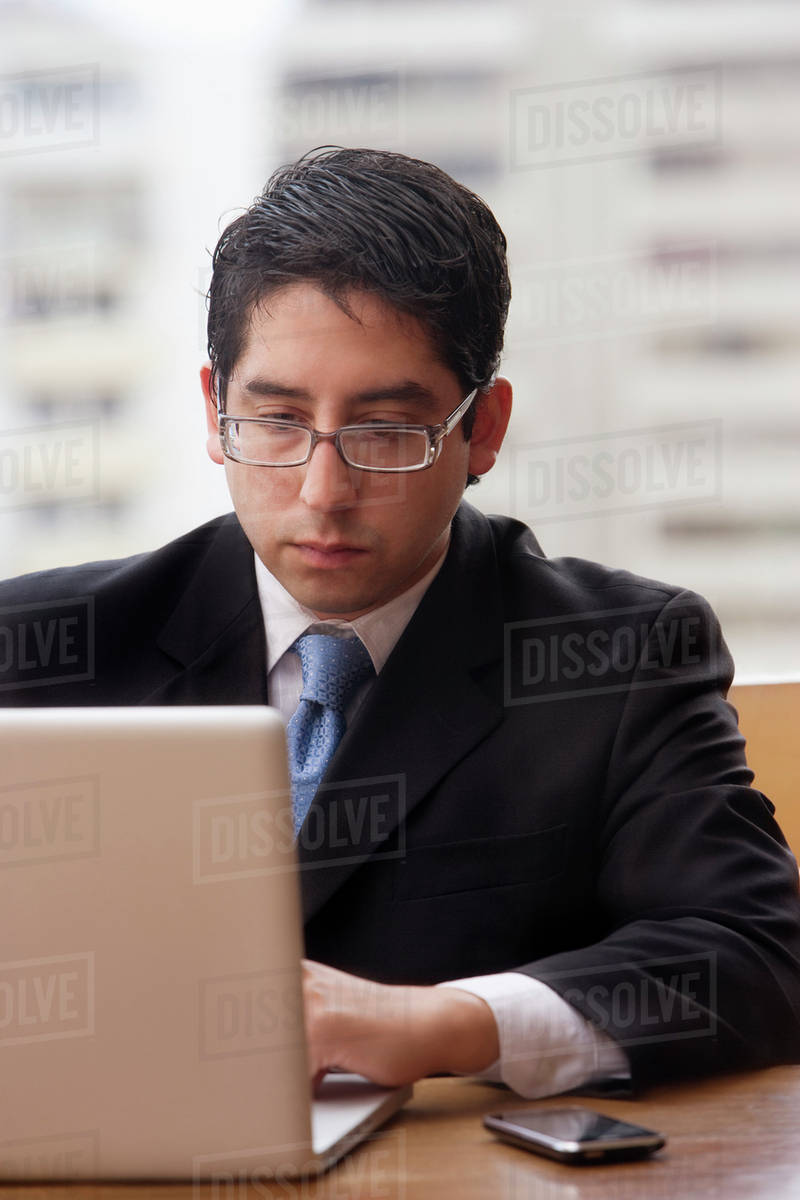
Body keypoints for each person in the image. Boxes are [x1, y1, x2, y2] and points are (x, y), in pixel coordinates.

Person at [2, 147, 799, 1100]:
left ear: (483, 429)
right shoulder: (39, 651)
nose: (323, 491)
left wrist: (442, 1024)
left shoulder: (618, 657)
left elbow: (759, 955)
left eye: (386, 431)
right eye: (278, 420)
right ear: (215, 411)